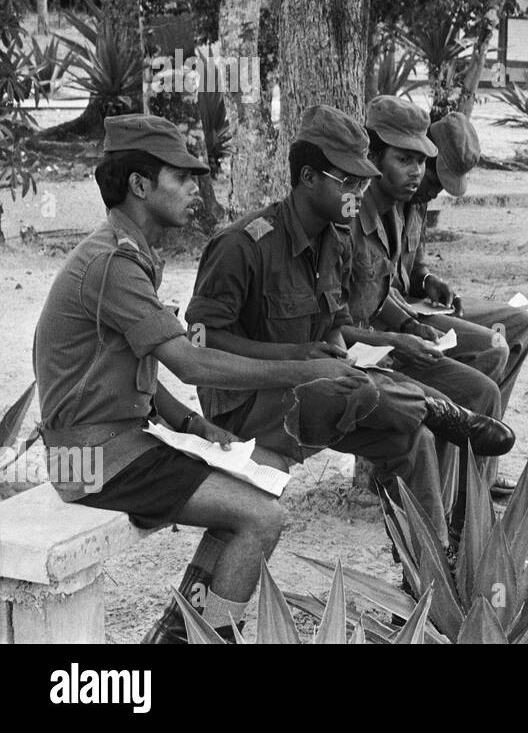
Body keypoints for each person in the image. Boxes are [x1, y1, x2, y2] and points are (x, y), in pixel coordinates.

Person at [32, 114, 367, 644]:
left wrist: (188, 421)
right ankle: (205, 637)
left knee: (241, 489)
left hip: (109, 447)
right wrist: (309, 368)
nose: (196, 189)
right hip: (93, 461)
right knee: (262, 519)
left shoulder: (126, 252)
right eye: (182, 178)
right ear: (140, 185)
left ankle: (178, 631)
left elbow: (114, 368)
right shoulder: (113, 263)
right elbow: (191, 363)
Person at [185, 106, 513, 554]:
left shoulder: (334, 239)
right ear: (307, 177)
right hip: (247, 404)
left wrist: (339, 353)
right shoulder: (243, 245)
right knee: (345, 385)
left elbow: (336, 321)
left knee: (408, 440)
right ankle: (435, 408)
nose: (359, 193)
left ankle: (429, 574)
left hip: (318, 394)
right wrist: (297, 359)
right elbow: (202, 340)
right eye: (349, 182)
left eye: (363, 182)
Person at [343, 95, 511, 536]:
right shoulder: (347, 216)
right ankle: (438, 526)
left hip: (393, 338)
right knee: (455, 405)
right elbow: (342, 317)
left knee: (485, 386)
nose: (418, 173)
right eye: (405, 158)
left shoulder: (401, 204)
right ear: (373, 154)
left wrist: (418, 304)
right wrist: (403, 333)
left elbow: (390, 284)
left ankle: (465, 521)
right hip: (363, 356)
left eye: (422, 161)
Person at [397, 110, 528, 496]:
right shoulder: (391, 188)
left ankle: (483, 463)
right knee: (491, 348)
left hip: (419, 304)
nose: (433, 190)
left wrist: (429, 281)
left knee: (518, 325)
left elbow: (413, 265)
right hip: (398, 315)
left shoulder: (418, 197)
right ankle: (467, 484)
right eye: (434, 179)